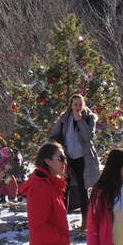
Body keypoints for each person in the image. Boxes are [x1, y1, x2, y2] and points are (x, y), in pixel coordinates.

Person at [49, 93, 100, 229]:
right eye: (75, 104)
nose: (78, 107)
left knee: (83, 190)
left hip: (83, 158)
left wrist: (80, 121)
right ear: (70, 106)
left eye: (80, 104)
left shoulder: (89, 118)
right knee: (64, 189)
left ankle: (85, 221)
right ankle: (61, 220)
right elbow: (53, 135)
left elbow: (88, 136)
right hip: (67, 159)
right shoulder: (65, 118)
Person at [0, 135, 22, 202]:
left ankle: (13, 196)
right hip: (4, 178)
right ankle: (1, 193)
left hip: (16, 177)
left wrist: (6, 170)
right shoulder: (0, 155)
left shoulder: (14, 153)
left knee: (8, 178)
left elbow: (17, 165)